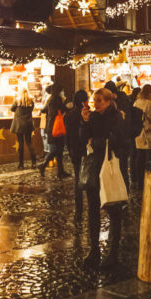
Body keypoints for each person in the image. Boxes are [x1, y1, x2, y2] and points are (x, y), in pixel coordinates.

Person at [81, 87, 128, 269]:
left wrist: (97, 142)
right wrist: (85, 122)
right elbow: (83, 138)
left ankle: (113, 253)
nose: (96, 104)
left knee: (114, 209)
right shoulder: (92, 117)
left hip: (110, 167)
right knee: (93, 210)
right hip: (95, 168)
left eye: (100, 101)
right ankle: (94, 251)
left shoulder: (117, 117)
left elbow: (119, 140)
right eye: (95, 100)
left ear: (108, 101)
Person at [37, 84, 71, 178]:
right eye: (62, 91)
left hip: (52, 127)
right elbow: (62, 110)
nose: (63, 92)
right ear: (58, 91)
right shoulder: (56, 100)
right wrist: (67, 106)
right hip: (55, 128)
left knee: (59, 150)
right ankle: (43, 165)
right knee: (55, 150)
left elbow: (44, 110)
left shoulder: (51, 99)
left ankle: (60, 171)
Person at [65, 89, 88, 220]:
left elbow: (68, 137)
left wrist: (70, 150)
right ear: (83, 101)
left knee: (78, 179)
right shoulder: (84, 114)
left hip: (74, 150)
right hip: (84, 149)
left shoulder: (69, 115)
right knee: (89, 177)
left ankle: (78, 208)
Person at [104, 79, 132, 190]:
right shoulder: (123, 101)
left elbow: (121, 124)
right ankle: (121, 191)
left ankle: (122, 192)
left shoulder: (119, 104)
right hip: (122, 141)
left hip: (120, 142)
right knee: (121, 168)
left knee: (121, 168)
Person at [133, 84, 151, 190]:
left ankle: (139, 181)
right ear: (149, 93)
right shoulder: (148, 103)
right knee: (149, 158)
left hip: (138, 133)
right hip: (147, 132)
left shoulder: (136, 102)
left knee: (139, 157)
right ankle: (148, 180)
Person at [11, 86, 37, 169]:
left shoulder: (17, 100)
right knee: (29, 143)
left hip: (19, 125)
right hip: (28, 124)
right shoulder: (31, 101)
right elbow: (32, 109)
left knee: (21, 143)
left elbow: (12, 109)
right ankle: (34, 162)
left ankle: (21, 164)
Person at [129, 86, 142, 187]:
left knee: (133, 155)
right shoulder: (136, 104)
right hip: (136, 132)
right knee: (136, 155)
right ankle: (137, 177)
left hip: (132, 132)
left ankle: (134, 177)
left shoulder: (130, 102)